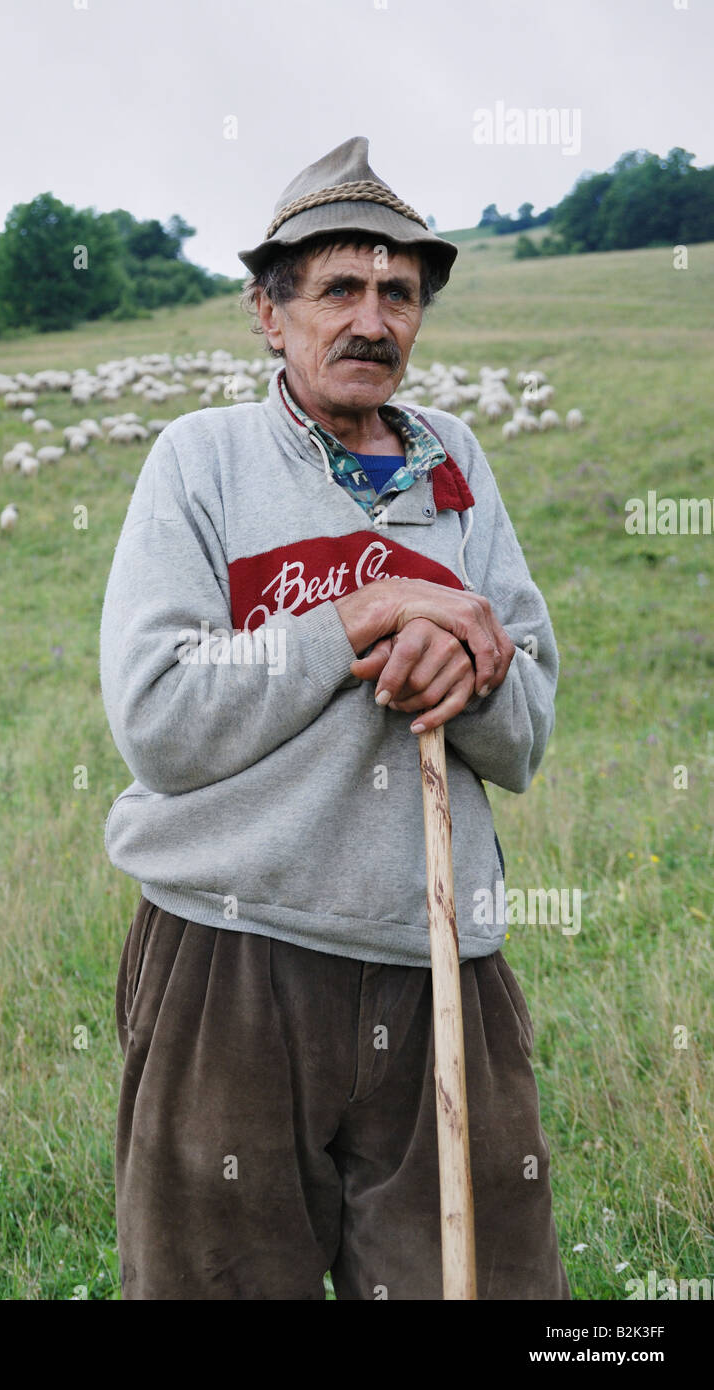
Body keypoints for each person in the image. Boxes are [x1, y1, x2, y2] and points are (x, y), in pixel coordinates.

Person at [99, 136, 570, 1301]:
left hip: (437, 959)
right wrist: (356, 617)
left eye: (398, 292)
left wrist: (464, 669)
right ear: (270, 312)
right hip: (232, 957)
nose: (372, 319)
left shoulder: (455, 464)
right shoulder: (199, 463)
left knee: (485, 1283)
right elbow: (158, 718)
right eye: (339, 289)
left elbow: (525, 733)